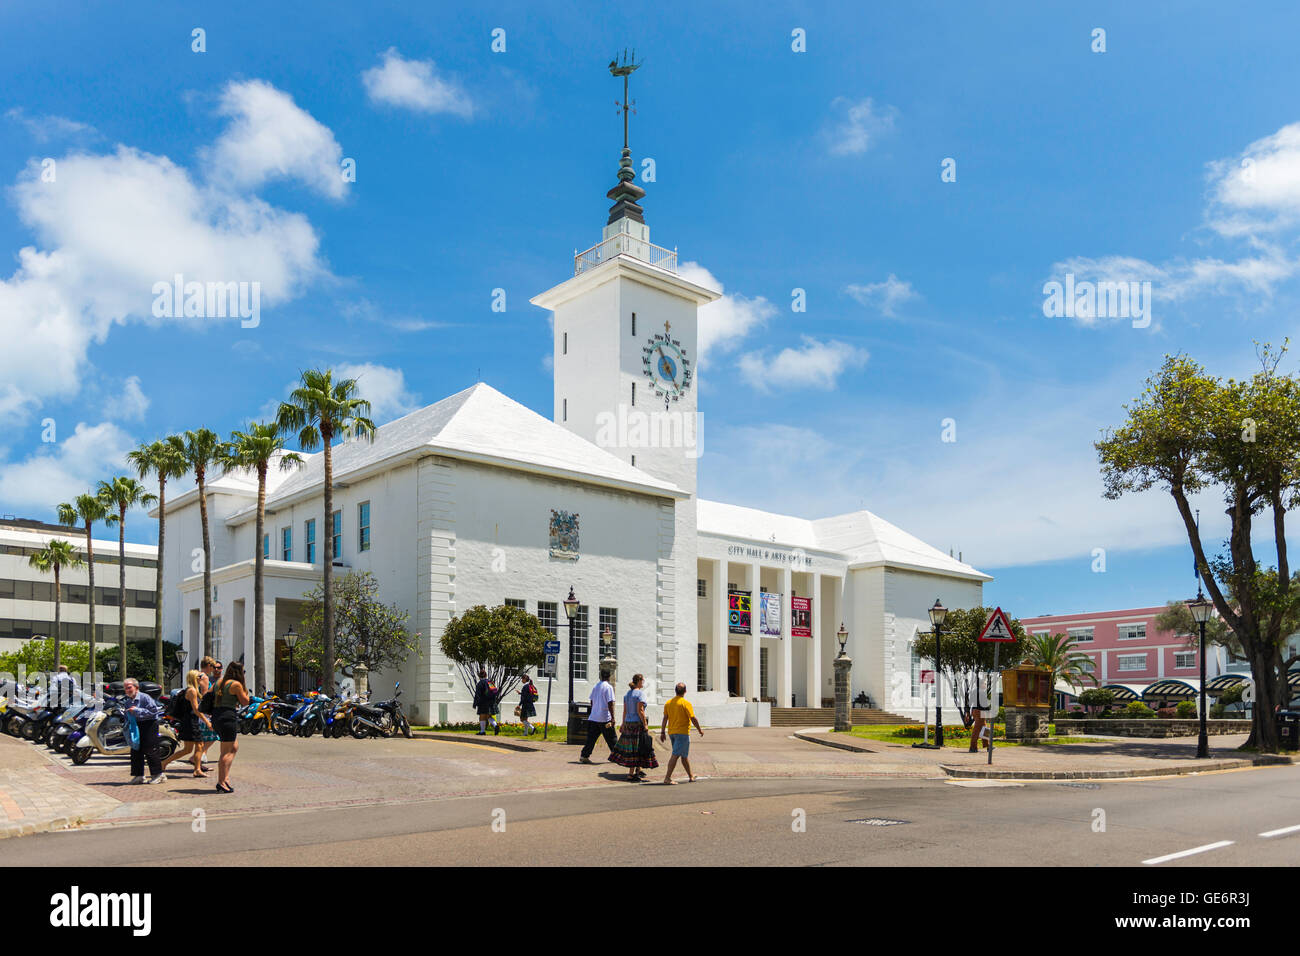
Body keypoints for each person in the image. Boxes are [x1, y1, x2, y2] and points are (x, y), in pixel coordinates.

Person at [161, 670, 213, 777]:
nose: (201, 678)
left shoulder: (190, 690)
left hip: (189, 722)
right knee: (197, 746)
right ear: (195, 678)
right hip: (191, 722)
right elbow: (196, 709)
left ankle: (165, 763)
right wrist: (207, 721)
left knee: (189, 749)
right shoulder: (192, 691)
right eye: (200, 676)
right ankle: (196, 770)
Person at [608, 673, 658, 781]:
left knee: (634, 748)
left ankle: (638, 770)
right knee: (636, 748)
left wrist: (623, 723)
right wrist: (645, 724)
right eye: (642, 681)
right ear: (639, 681)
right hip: (637, 724)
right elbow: (640, 711)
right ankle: (631, 774)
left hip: (629, 723)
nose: (643, 683)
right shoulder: (640, 694)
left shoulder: (627, 694)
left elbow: (625, 711)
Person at [212, 661, 249, 793]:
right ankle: (221, 782)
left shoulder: (219, 682)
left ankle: (225, 778)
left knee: (233, 747)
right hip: (227, 717)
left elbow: (208, 695)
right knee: (225, 752)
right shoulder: (236, 684)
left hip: (217, 716)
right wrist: (243, 684)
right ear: (239, 672)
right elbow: (245, 701)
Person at [122, 677, 167, 784]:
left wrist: (137, 710)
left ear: (136, 687)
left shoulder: (145, 697)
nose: (127, 690)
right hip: (136, 726)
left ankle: (158, 774)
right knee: (135, 750)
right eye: (125, 688)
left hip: (149, 724)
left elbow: (154, 711)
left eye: (129, 687)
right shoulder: (128, 702)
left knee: (150, 750)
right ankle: (139, 775)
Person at [659, 682, 703, 784]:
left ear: (675, 691)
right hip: (682, 733)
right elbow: (692, 718)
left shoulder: (668, 703)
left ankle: (691, 776)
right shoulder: (685, 703)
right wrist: (699, 729)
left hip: (672, 733)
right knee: (675, 755)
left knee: (683, 755)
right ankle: (667, 778)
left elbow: (665, 718)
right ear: (685, 691)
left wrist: (662, 732)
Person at [579, 669, 617, 763]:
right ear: (609, 676)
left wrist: (594, 710)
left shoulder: (596, 686)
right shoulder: (608, 687)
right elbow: (610, 703)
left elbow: (591, 701)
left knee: (591, 739)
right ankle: (617, 756)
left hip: (594, 717)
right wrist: (612, 717)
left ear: (600, 676)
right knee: (612, 738)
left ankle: (584, 756)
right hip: (604, 717)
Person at [473, 669, 499, 735]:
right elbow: (495, 692)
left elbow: (477, 695)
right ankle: (495, 725)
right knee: (488, 716)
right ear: (486, 675)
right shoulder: (489, 682)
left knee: (482, 716)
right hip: (491, 702)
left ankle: (482, 731)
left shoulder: (479, 684)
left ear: (479, 676)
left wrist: (475, 703)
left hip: (483, 702)